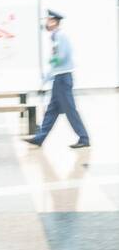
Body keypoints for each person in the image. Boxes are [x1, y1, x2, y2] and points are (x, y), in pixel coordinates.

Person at [24, 9, 89, 150]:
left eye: (48, 20)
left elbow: (62, 56)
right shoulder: (55, 36)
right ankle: (39, 138)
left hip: (63, 79)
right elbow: (57, 60)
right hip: (59, 79)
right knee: (51, 111)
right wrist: (48, 76)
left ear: (54, 22)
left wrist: (52, 61)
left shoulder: (60, 36)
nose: (46, 23)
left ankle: (84, 138)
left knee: (70, 110)